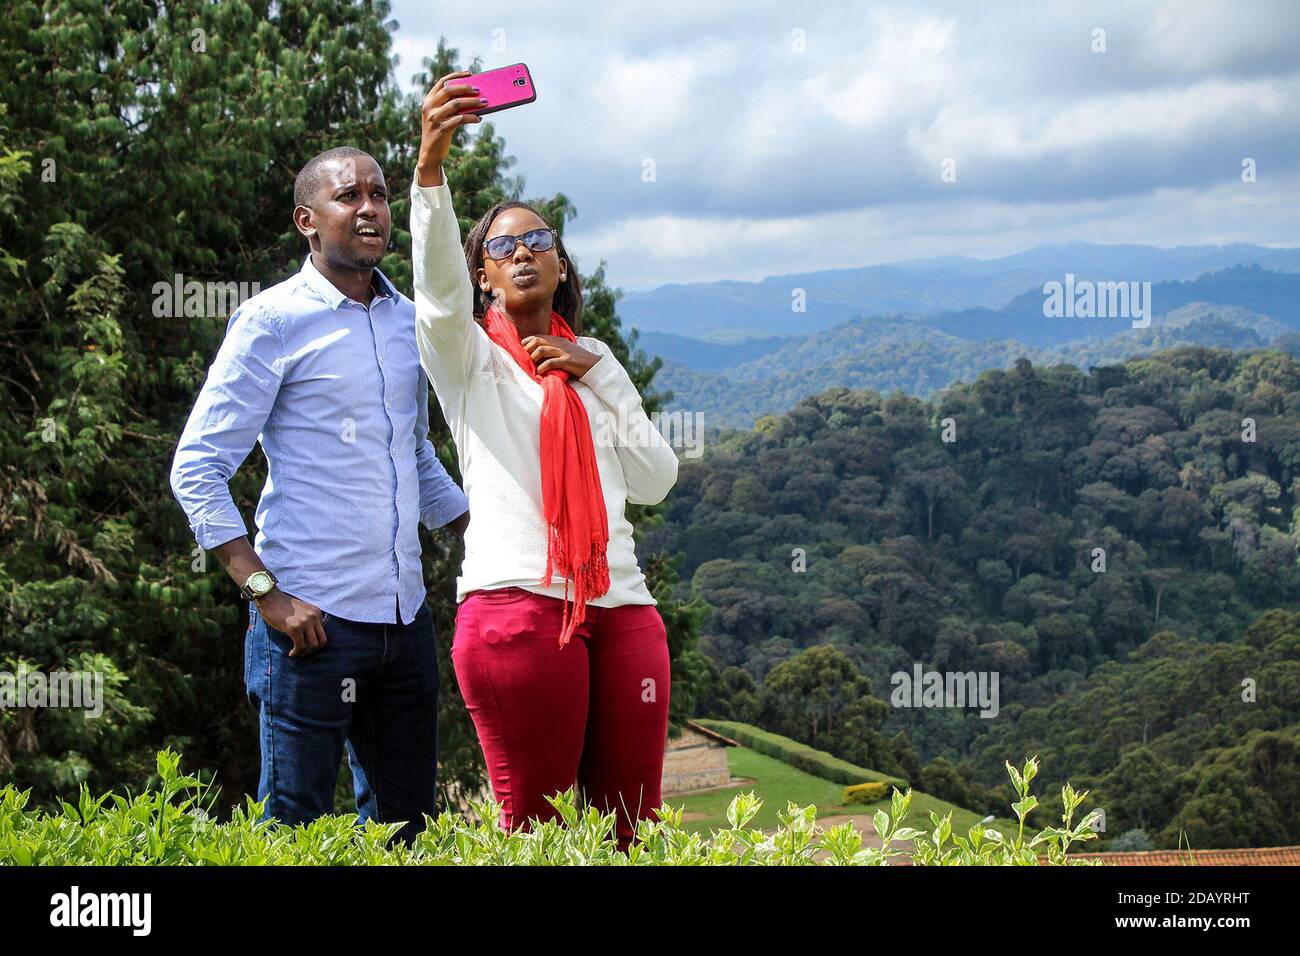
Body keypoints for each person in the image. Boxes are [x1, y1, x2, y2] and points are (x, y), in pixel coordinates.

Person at [408, 73, 680, 851]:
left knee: (633, 834)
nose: (522, 251)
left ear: (562, 267)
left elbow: (656, 479)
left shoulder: (595, 361)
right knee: (540, 835)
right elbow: (434, 295)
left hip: (622, 607)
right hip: (520, 612)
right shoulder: (466, 363)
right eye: (502, 246)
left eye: (538, 242)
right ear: (484, 275)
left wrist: (597, 372)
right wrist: (431, 173)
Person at [169, 146, 469, 843]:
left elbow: (416, 456)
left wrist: (481, 536)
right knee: (292, 833)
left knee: (405, 836)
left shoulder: (409, 323)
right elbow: (197, 467)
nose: (370, 208)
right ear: (307, 219)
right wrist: (266, 595)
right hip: (308, 628)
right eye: (348, 197)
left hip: (406, 623)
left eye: (380, 194)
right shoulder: (272, 321)